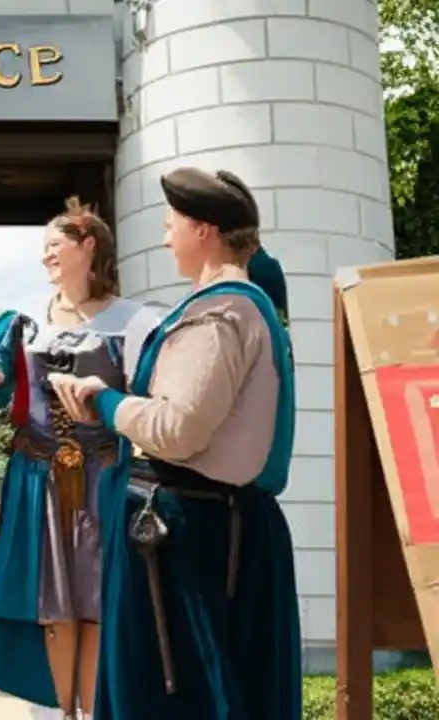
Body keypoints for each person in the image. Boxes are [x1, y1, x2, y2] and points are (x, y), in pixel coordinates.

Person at [51, 168, 299, 720]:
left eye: (171, 226)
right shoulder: (250, 305)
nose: (165, 238)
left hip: (188, 534)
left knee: (174, 692)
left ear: (203, 230)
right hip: (217, 527)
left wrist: (104, 403)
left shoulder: (218, 313)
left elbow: (177, 429)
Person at [0, 199, 162, 719]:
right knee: (51, 608)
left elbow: (150, 399)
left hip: (105, 477)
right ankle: (55, 715)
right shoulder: (22, 323)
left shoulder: (137, 322)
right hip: (38, 480)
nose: (46, 257)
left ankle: (95, 712)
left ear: (88, 246)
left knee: (97, 604)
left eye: (55, 245)